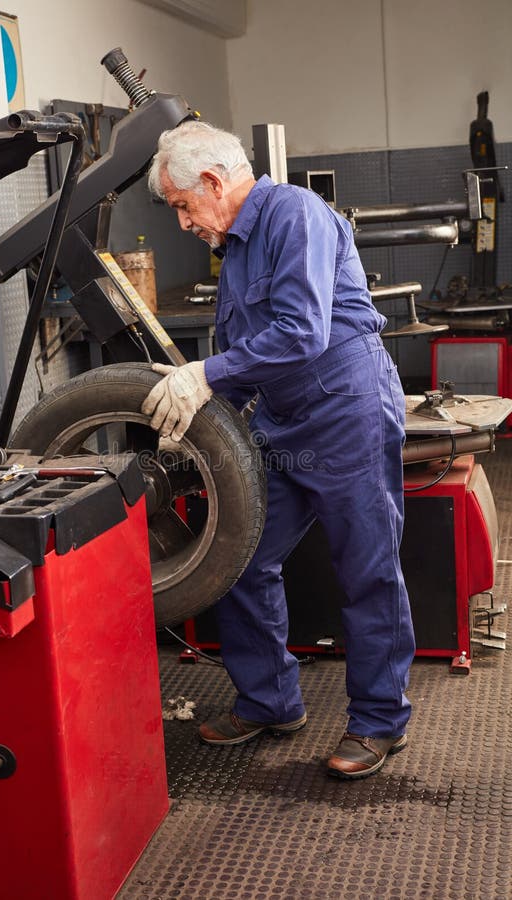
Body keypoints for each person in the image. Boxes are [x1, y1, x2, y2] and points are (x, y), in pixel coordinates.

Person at [141, 120, 415, 779]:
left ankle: (380, 721)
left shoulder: (297, 216)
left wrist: (204, 374)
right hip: (284, 419)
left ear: (211, 181)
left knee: (366, 567)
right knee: (236, 554)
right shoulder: (233, 248)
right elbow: (246, 355)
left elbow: (300, 333)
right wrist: (205, 415)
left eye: (182, 205)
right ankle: (269, 698)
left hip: (347, 408)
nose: (183, 223)